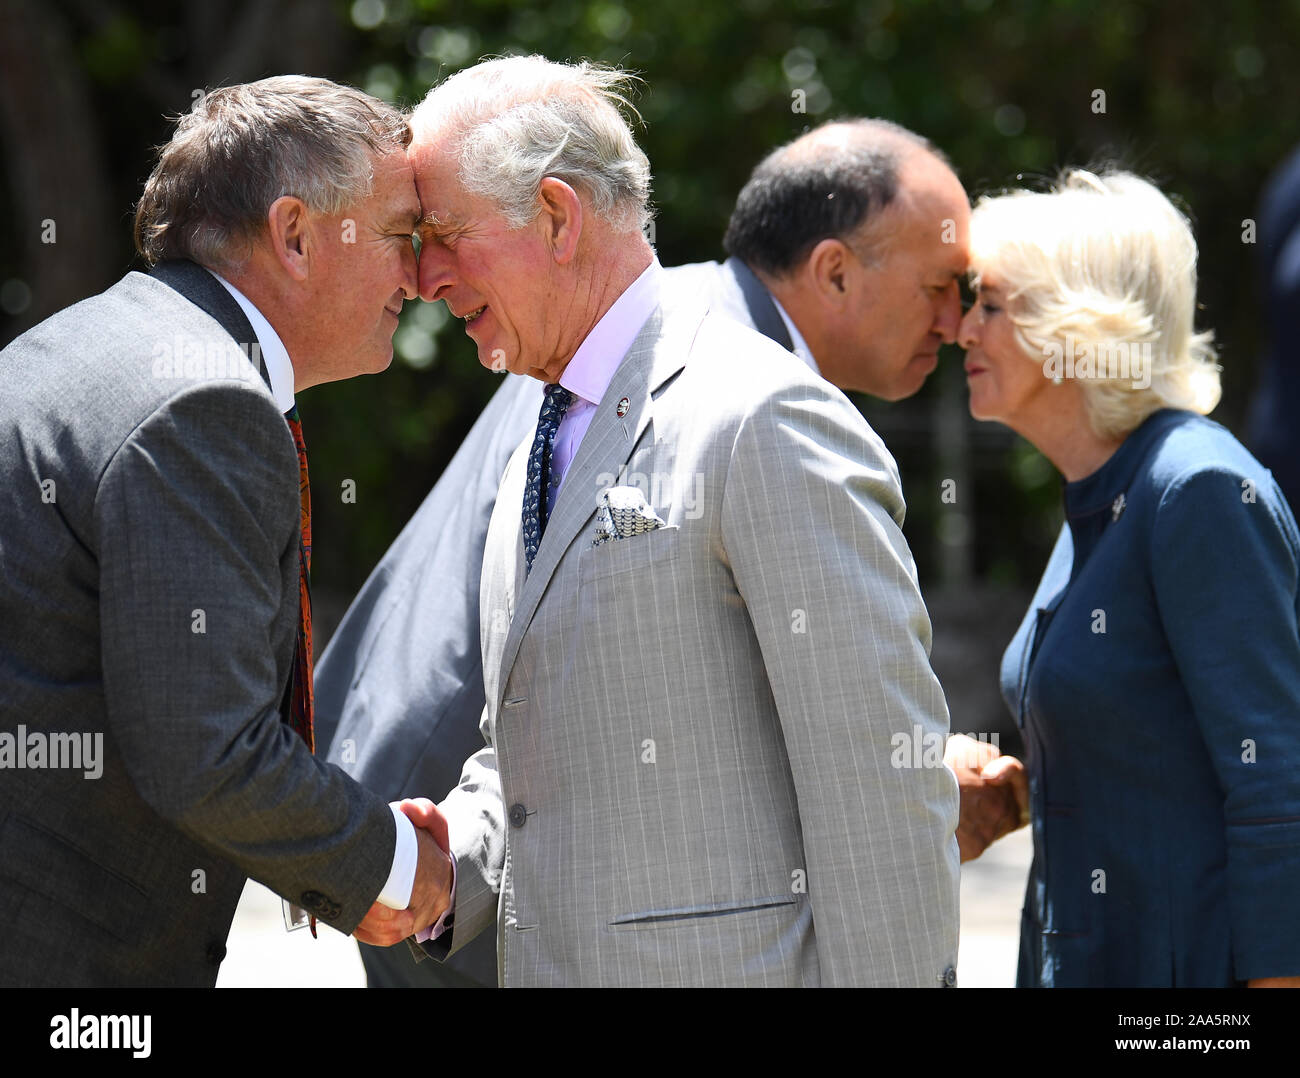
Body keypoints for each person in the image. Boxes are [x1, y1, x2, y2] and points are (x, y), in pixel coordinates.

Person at [315, 113, 1011, 988]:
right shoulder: (562, 395)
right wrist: (455, 857)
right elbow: (549, 731)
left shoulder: (748, 405)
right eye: (943, 284)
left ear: (560, 219)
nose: (421, 276)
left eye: (445, 235)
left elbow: (873, 777)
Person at [0, 76, 450, 987]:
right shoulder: (205, 402)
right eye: (402, 236)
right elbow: (206, 752)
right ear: (294, 235)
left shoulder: (87, 341)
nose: (420, 277)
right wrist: (400, 865)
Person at [957, 168, 1300, 987]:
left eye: (991, 305)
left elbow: (1277, 788)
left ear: (1078, 327)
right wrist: (1028, 783)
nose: (962, 330)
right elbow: (1153, 743)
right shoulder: (1100, 482)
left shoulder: (1196, 488)